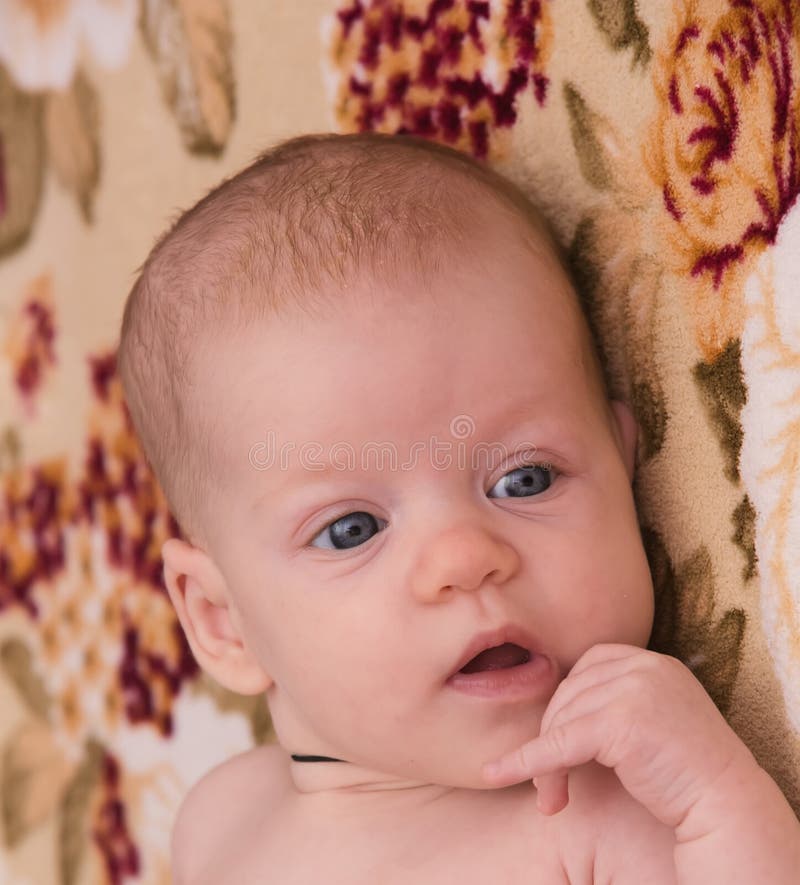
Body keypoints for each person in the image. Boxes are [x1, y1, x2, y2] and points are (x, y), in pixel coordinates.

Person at [117, 131, 800, 884]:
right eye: (352, 529)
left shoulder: (604, 818)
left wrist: (718, 799)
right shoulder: (221, 821)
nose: (464, 557)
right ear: (222, 621)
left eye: (526, 480)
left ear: (622, 463)